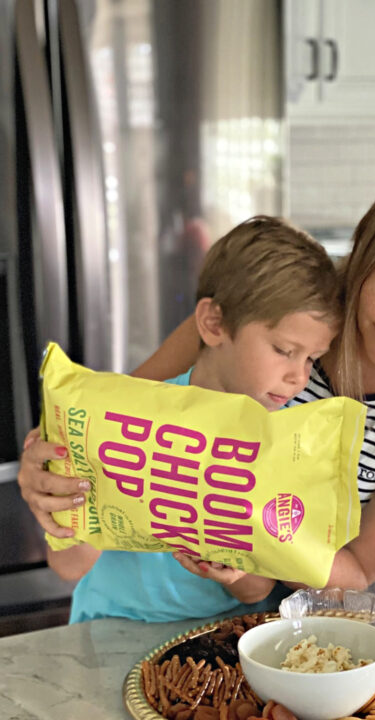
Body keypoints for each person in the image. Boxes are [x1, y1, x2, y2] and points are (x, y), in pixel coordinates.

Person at [18, 161, 375, 602]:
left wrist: (246, 559)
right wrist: (51, 472)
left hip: (352, 623)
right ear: (365, 256)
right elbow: (113, 426)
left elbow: (356, 571)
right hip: (206, 612)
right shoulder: (279, 310)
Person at [46, 215, 341, 622]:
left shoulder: (283, 442)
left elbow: (257, 587)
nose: (300, 376)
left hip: (216, 639)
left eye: (311, 358)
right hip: (114, 625)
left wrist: (227, 572)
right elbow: (68, 566)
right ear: (214, 324)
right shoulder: (128, 418)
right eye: (284, 349)